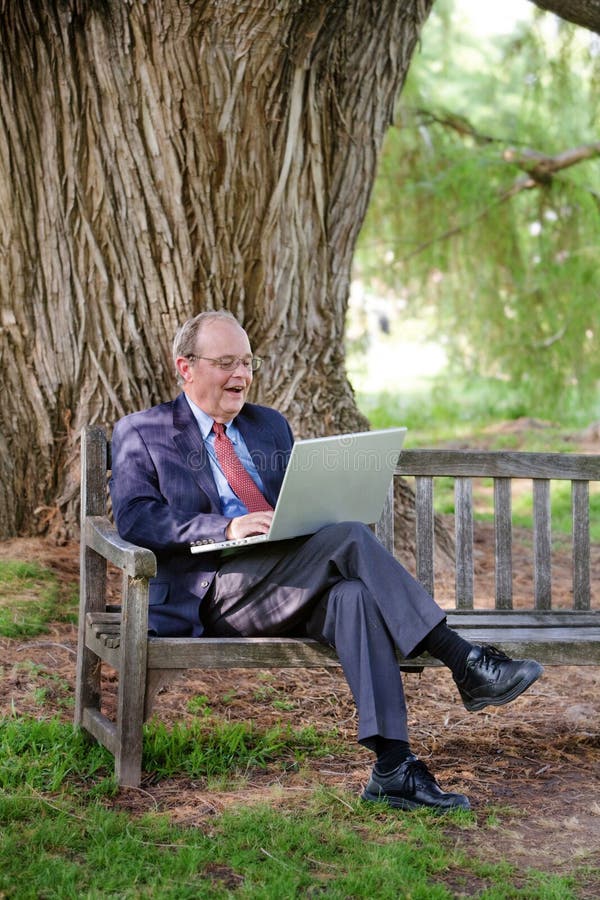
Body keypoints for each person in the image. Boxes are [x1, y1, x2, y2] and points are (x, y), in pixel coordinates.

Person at [110, 310, 544, 812]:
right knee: (350, 539)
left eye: (247, 363)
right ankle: (463, 659)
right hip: (211, 592)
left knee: (354, 596)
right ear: (185, 367)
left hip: (287, 584)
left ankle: (393, 769)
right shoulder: (143, 431)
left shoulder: (269, 426)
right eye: (226, 363)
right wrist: (226, 527)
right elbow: (136, 518)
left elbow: (301, 507)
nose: (241, 375)